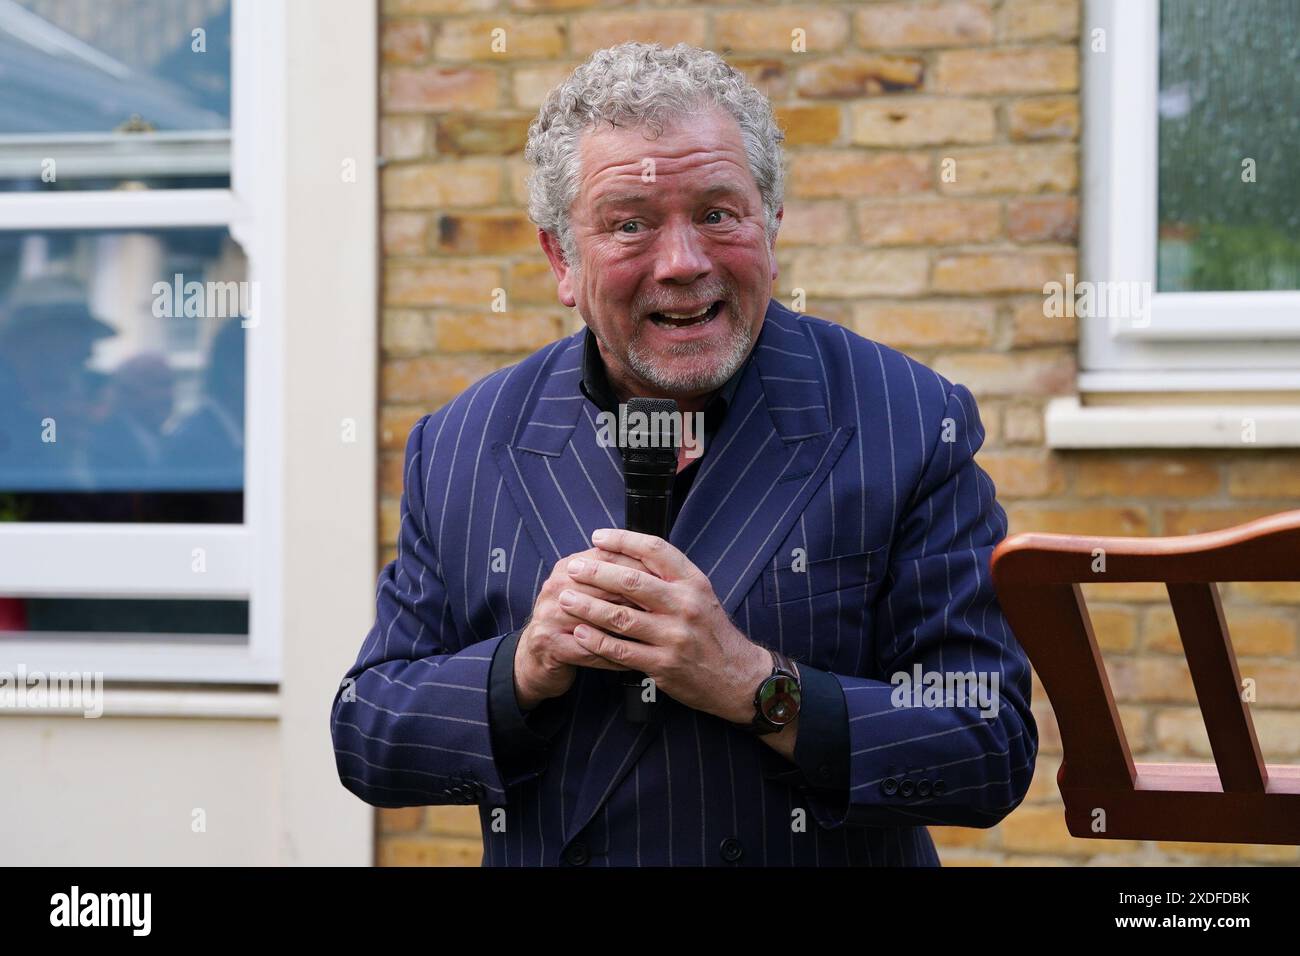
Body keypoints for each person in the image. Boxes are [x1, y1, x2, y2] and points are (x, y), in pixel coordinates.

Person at [331, 42, 1037, 866]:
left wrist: (757, 686)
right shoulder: (461, 443)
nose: (683, 263)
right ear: (561, 259)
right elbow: (370, 733)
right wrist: (522, 667)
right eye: (630, 224)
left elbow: (987, 744)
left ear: (771, 225)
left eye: (717, 214)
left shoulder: (908, 418)